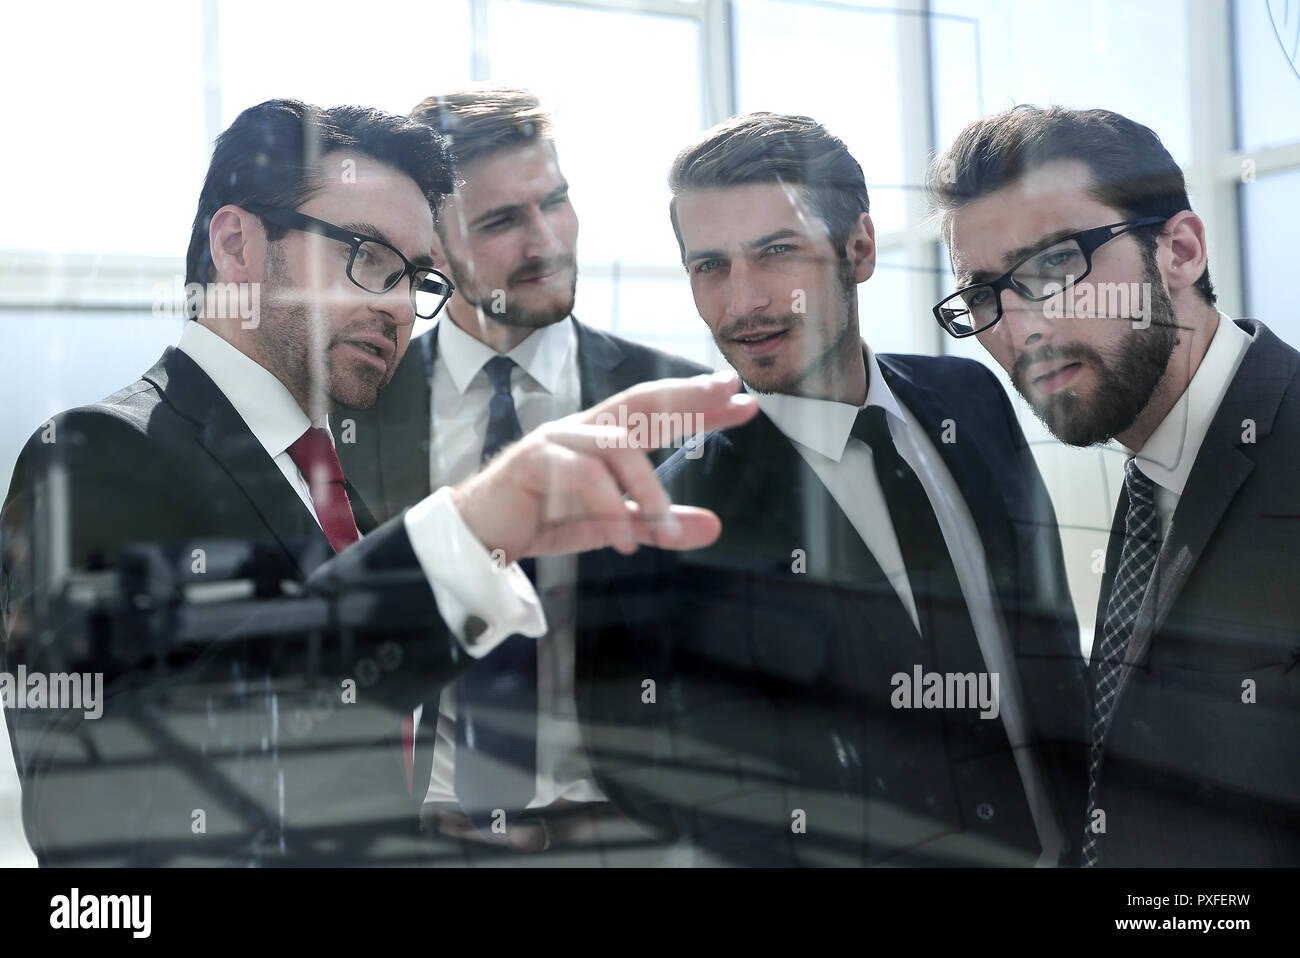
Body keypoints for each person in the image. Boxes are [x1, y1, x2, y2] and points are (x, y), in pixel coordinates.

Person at [0, 98, 755, 867]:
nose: (398, 305)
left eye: (416, 277)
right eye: (365, 256)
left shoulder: (326, 484)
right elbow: (90, 815)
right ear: (236, 246)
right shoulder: (98, 454)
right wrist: (457, 542)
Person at [580, 113, 1087, 867]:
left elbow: (1048, 641)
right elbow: (648, 778)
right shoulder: (666, 519)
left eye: (776, 252)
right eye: (710, 266)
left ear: (860, 248)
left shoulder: (973, 400)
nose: (742, 303)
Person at [333, 86, 707, 862]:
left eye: (556, 202)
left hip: (626, 831)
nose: (547, 242)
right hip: (419, 832)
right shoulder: (353, 412)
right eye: (503, 221)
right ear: (433, 251)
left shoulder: (676, 405)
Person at [927, 105, 1300, 866]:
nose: (1020, 329)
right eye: (985, 295)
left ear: (1180, 251)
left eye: (1055, 265)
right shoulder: (1150, 479)